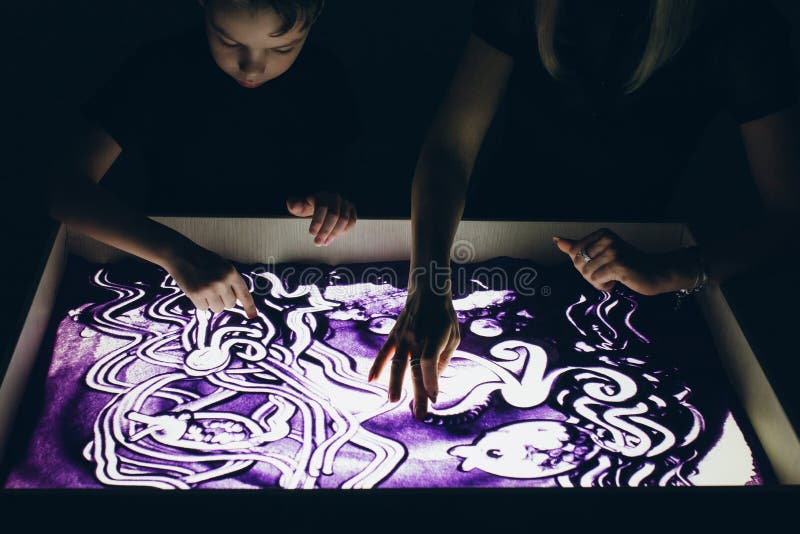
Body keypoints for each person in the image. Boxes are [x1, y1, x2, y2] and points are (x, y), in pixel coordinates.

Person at [369, 0, 800, 421]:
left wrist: (671, 269)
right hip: (490, 246)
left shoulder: (739, 25)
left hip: (638, 267)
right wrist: (427, 284)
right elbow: (449, 150)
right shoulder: (524, 7)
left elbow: (788, 219)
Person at [47, 0, 360, 318]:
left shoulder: (324, 77)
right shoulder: (158, 70)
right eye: (229, 41)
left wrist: (327, 207)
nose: (251, 67)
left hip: (287, 266)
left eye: (282, 48)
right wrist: (176, 254)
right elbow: (63, 191)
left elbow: (338, 180)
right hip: (170, 266)